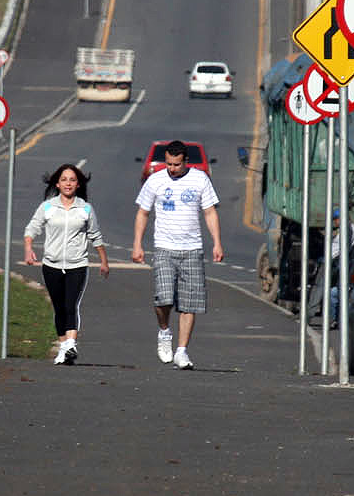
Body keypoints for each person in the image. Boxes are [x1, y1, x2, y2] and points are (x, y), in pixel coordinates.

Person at [131, 141, 222, 369]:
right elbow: (143, 212)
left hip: (192, 248)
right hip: (164, 247)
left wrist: (217, 243)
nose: (172, 168)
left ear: (185, 162)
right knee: (163, 298)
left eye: (176, 164)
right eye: (169, 164)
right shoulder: (156, 180)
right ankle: (164, 331)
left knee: (190, 303)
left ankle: (182, 351)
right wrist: (137, 244)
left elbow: (210, 212)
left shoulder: (200, 179)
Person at [23, 164, 109, 364]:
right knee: (59, 307)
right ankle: (63, 347)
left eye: (72, 180)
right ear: (57, 183)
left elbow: (95, 235)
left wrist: (104, 261)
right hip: (51, 265)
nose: (68, 183)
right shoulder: (48, 207)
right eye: (64, 180)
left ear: (78, 184)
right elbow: (32, 228)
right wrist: (28, 248)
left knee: (71, 305)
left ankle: (71, 344)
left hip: (77, 265)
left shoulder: (85, 208)